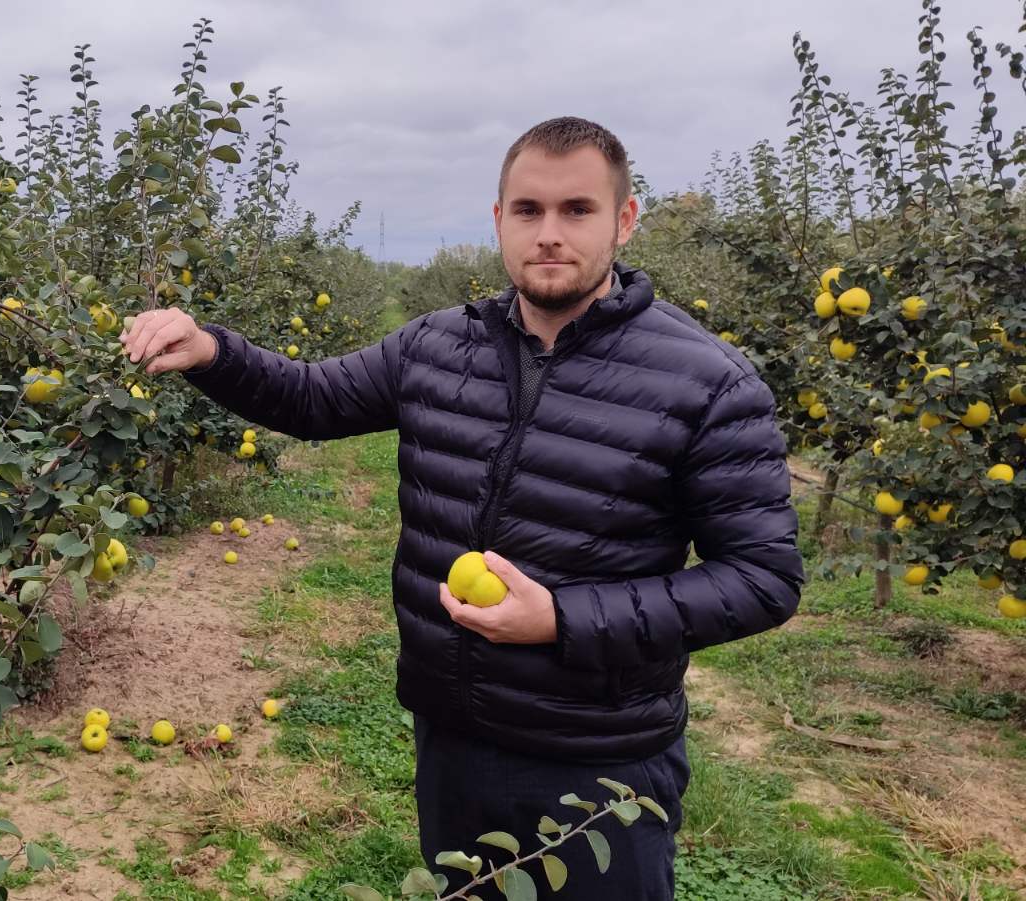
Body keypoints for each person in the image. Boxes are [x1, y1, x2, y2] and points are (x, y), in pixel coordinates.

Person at [117, 116, 804, 900]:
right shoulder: (438, 347)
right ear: (498, 219)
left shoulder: (709, 382)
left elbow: (762, 578)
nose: (549, 234)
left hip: (597, 756)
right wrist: (211, 349)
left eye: (577, 210)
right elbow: (313, 398)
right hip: (453, 735)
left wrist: (563, 618)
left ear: (624, 220)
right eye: (527, 210)